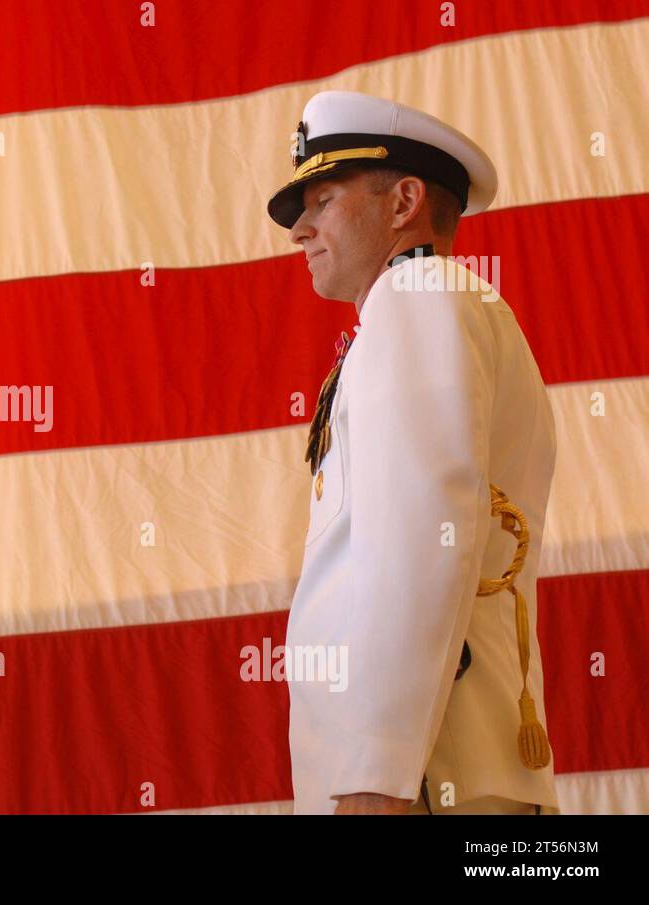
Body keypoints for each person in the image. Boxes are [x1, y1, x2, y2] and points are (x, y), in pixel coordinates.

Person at [267, 91, 559, 815]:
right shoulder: (438, 305)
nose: (300, 228)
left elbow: (422, 541)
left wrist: (376, 770)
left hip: (423, 779)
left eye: (323, 200)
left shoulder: (417, 295)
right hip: (440, 769)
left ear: (403, 202)